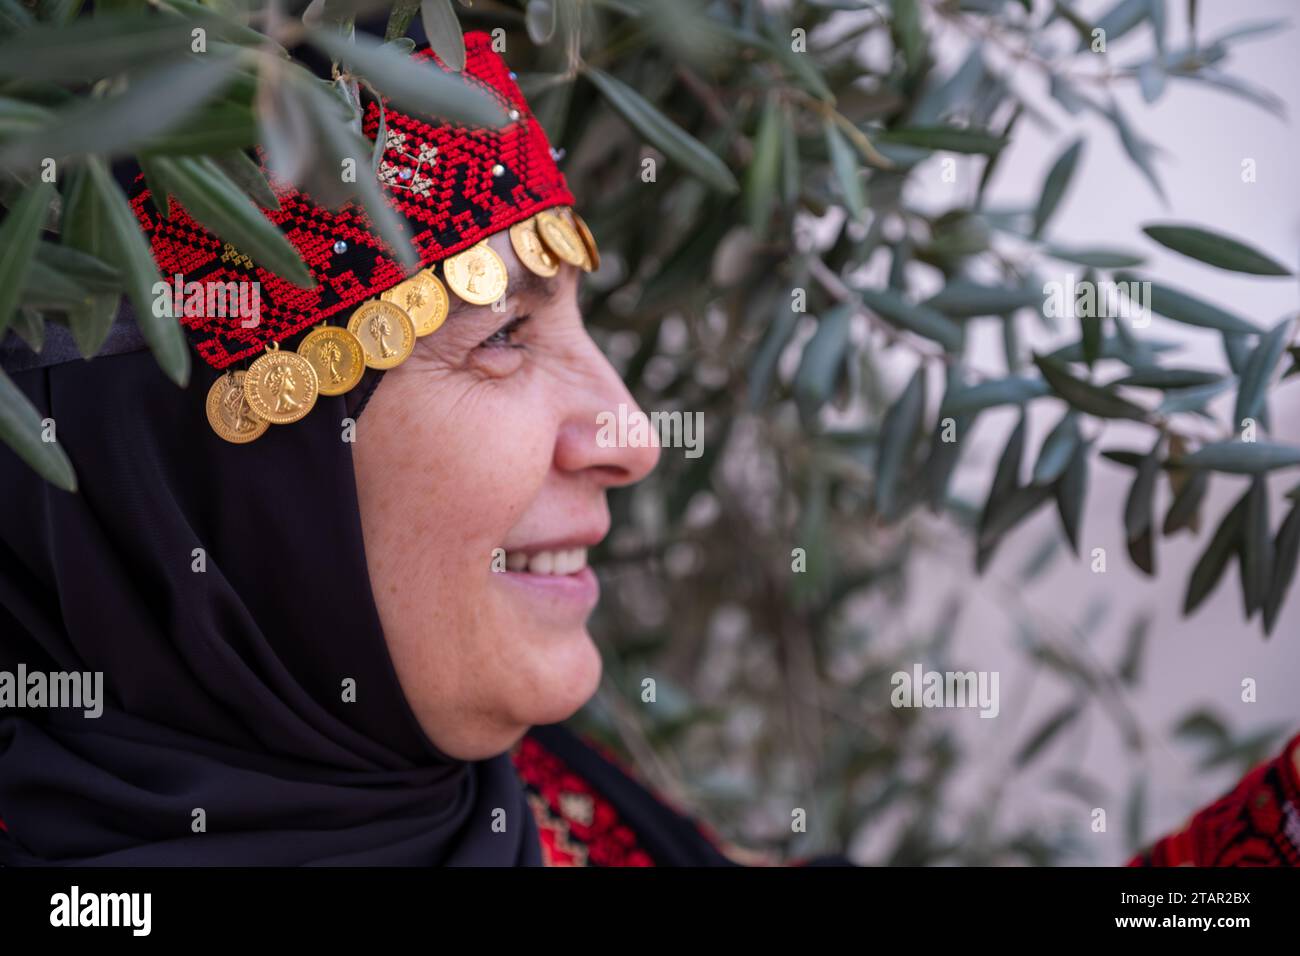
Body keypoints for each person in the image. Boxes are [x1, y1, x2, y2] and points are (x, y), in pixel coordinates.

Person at [0, 25, 1294, 869]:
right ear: (215, 481)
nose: (627, 435)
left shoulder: (522, 802)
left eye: (581, 324)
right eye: (502, 335)